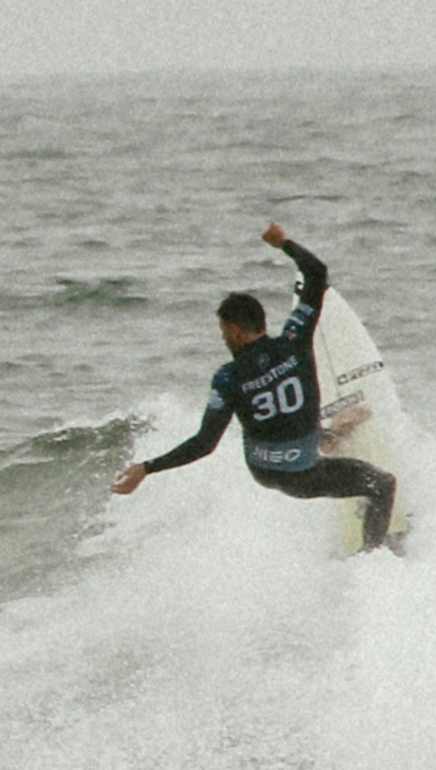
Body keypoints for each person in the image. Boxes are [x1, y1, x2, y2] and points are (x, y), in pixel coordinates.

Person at [111, 223, 399, 549]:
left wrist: (147, 468)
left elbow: (205, 444)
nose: (223, 338)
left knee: (280, 415)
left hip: (264, 471)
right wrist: (283, 243)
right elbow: (316, 272)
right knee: (384, 484)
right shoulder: (295, 340)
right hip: (304, 472)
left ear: (234, 330)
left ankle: (328, 436)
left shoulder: (227, 378)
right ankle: (372, 559)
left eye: (223, 331)